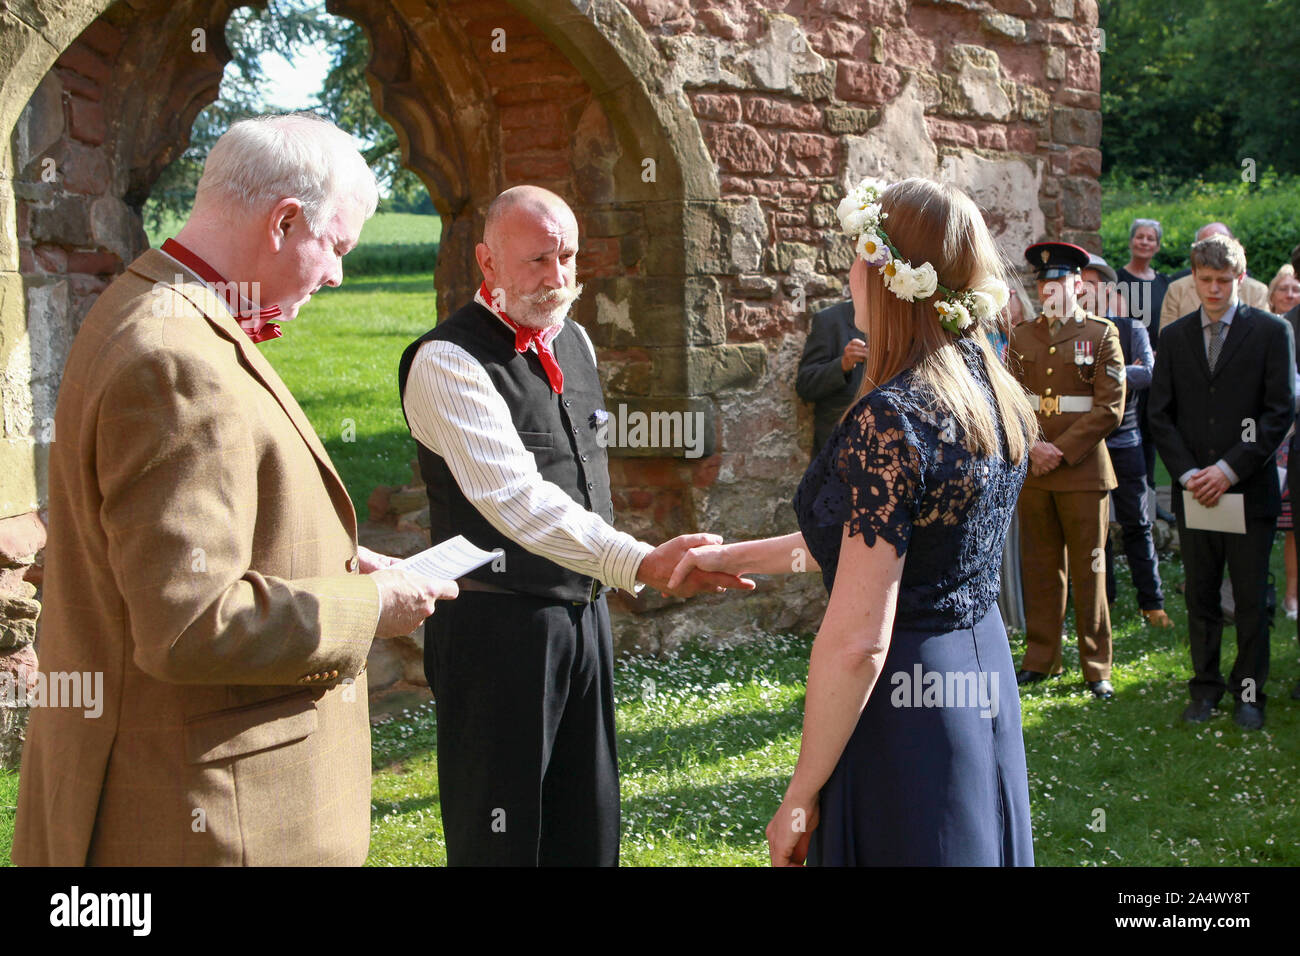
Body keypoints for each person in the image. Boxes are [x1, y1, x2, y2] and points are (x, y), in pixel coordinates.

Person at [12, 113, 456, 866]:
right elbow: (190, 623)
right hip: (209, 820)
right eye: (337, 247)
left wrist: (335, 566)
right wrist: (368, 607)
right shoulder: (175, 359)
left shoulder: (152, 304)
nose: (340, 274)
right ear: (284, 221)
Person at [669, 177, 1038, 866]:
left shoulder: (891, 419)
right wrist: (734, 558)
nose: (848, 272)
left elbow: (859, 642)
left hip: (904, 701)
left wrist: (799, 796)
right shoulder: (986, 384)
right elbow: (885, 542)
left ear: (882, 272)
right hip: (979, 674)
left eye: (856, 254)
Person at [398, 185, 752, 867]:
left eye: (566, 257)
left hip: (581, 617)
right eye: (535, 260)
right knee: (501, 839)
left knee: (586, 827)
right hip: (495, 628)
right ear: (486, 261)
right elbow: (516, 499)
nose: (556, 277)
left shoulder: (577, 342)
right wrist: (639, 561)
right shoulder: (447, 361)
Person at [1148, 234, 1295, 731]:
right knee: (1202, 595)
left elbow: (1280, 411)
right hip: (1194, 491)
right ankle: (1205, 688)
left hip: (1247, 489)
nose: (1213, 290)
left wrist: (1229, 468)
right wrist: (1189, 473)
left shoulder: (1272, 332)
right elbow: (1160, 414)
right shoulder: (1174, 337)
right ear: (1193, 277)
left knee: (1252, 600)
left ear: (1241, 277)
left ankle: (1249, 694)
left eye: (1223, 281)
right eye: (1205, 280)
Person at [1009, 241, 1125, 699]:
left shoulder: (1101, 335)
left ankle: (1097, 667)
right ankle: (1042, 659)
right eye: (1043, 283)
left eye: (1058, 282)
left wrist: (1060, 449)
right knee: (1040, 567)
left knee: (1089, 568)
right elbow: (1011, 402)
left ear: (1078, 284)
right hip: (1035, 470)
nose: (1050, 289)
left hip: (1082, 473)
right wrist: (1034, 447)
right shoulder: (1021, 337)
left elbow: (1109, 407)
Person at [1085, 254, 1172, 628]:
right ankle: (1104, 600)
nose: (1085, 292)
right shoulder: (1068, 331)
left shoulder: (1129, 326)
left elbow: (1148, 372)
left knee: (1137, 522)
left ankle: (1152, 604)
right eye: (1079, 285)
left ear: (1106, 290)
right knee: (1095, 528)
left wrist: (1100, 372)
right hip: (1085, 445)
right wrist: (1119, 372)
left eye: (1093, 285)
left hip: (1126, 441)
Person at [1159, 223, 1268, 334]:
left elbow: (1262, 333)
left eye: (1223, 280)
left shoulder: (1257, 290)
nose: (1213, 289)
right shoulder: (1177, 289)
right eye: (1207, 245)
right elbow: (1167, 336)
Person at [1267, 265, 1300, 618]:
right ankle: (1289, 593)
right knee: (1289, 524)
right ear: (1273, 295)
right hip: (1282, 438)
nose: (1291, 294)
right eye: (1285, 289)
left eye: (1296, 289)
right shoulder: (1271, 330)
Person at [796, 299, 866, 460]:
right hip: (839, 451)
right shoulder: (830, 320)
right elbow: (805, 385)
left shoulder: (903, 319)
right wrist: (843, 364)